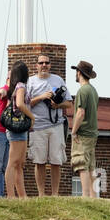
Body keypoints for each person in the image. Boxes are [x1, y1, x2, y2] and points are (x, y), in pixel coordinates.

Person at [26, 53, 71, 196]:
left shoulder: (58, 80)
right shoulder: (30, 81)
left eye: (47, 62)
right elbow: (25, 103)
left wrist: (57, 105)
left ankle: (55, 194)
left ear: (50, 65)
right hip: (37, 126)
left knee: (56, 161)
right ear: (36, 66)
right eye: (41, 63)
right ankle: (41, 194)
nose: (44, 65)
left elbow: (69, 103)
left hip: (56, 126)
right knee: (39, 161)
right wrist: (41, 97)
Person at [69, 60, 100, 198]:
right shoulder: (93, 90)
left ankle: (85, 195)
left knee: (81, 164)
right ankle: (94, 195)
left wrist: (74, 131)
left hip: (83, 133)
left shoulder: (83, 90)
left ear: (79, 73)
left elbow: (81, 113)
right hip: (93, 133)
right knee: (91, 166)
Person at [4, 61, 31, 199]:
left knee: (19, 163)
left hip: (18, 128)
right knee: (13, 161)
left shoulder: (14, 87)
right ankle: (10, 195)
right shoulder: (21, 87)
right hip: (17, 128)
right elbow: (20, 104)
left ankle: (22, 195)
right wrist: (32, 117)